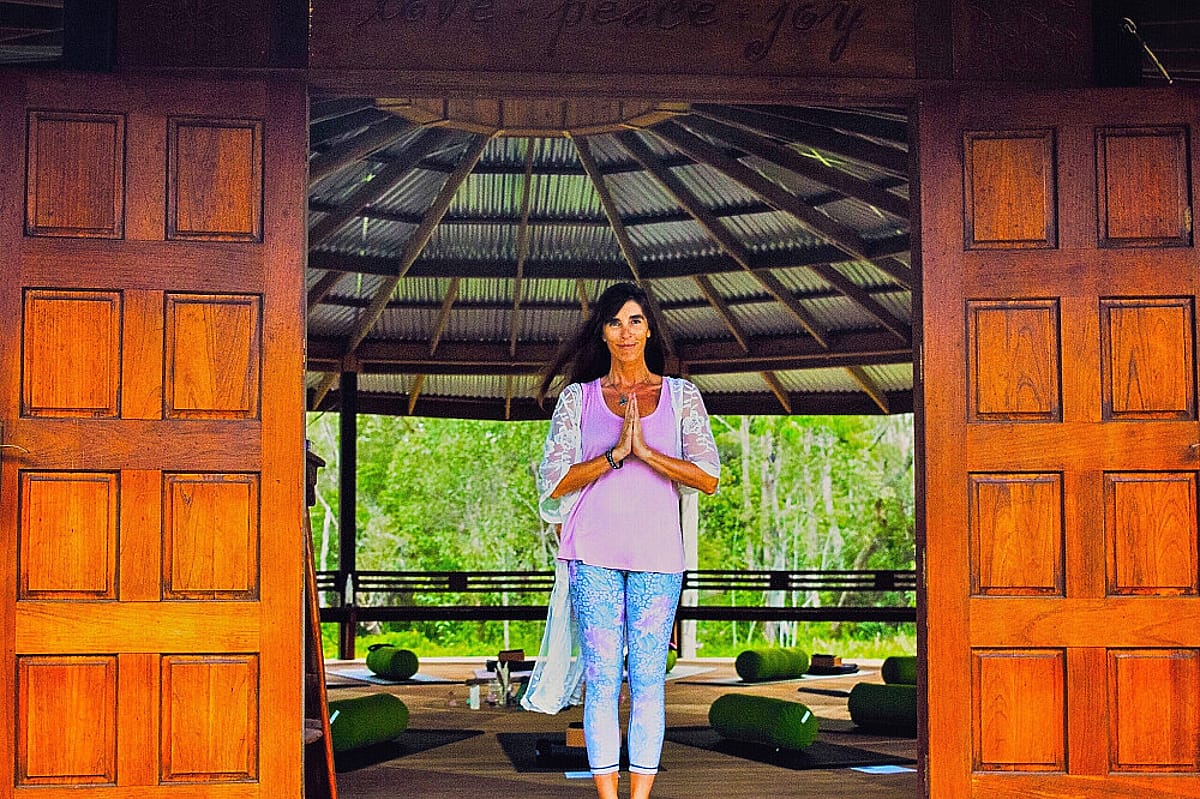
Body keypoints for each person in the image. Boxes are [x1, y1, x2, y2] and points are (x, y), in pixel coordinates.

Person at [535, 282, 720, 799]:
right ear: (602, 330)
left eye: (635, 320)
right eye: (615, 321)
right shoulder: (579, 398)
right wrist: (615, 455)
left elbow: (707, 476)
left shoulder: (681, 396)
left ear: (650, 328)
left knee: (646, 682)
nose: (626, 331)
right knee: (602, 680)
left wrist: (645, 452)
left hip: (659, 556)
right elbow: (553, 481)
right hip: (591, 551)